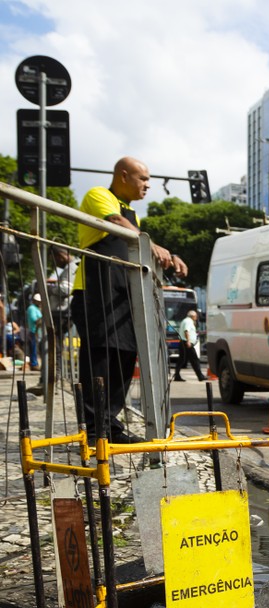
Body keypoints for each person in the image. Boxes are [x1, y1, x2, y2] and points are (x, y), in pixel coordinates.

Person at [73, 157, 188, 444]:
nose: (147, 185)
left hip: (123, 294)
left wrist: (170, 256)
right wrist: (154, 245)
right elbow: (116, 223)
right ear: (123, 176)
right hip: (95, 291)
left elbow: (140, 241)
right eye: (143, 178)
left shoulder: (134, 215)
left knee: (125, 356)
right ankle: (94, 431)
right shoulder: (99, 195)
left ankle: (110, 428)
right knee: (99, 358)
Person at [173, 309, 207, 382]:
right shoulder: (188, 321)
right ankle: (200, 376)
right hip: (186, 343)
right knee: (194, 360)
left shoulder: (185, 320)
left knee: (182, 360)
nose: (196, 318)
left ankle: (177, 376)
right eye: (196, 316)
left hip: (183, 342)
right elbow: (186, 331)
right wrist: (188, 341)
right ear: (192, 316)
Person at [25, 293, 43, 370]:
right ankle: (34, 364)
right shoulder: (32, 308)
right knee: (33, 349)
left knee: (37, 349)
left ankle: (36, 363)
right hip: (33, 331)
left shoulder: (37, 308)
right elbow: (34, 320)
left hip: (38, 332)